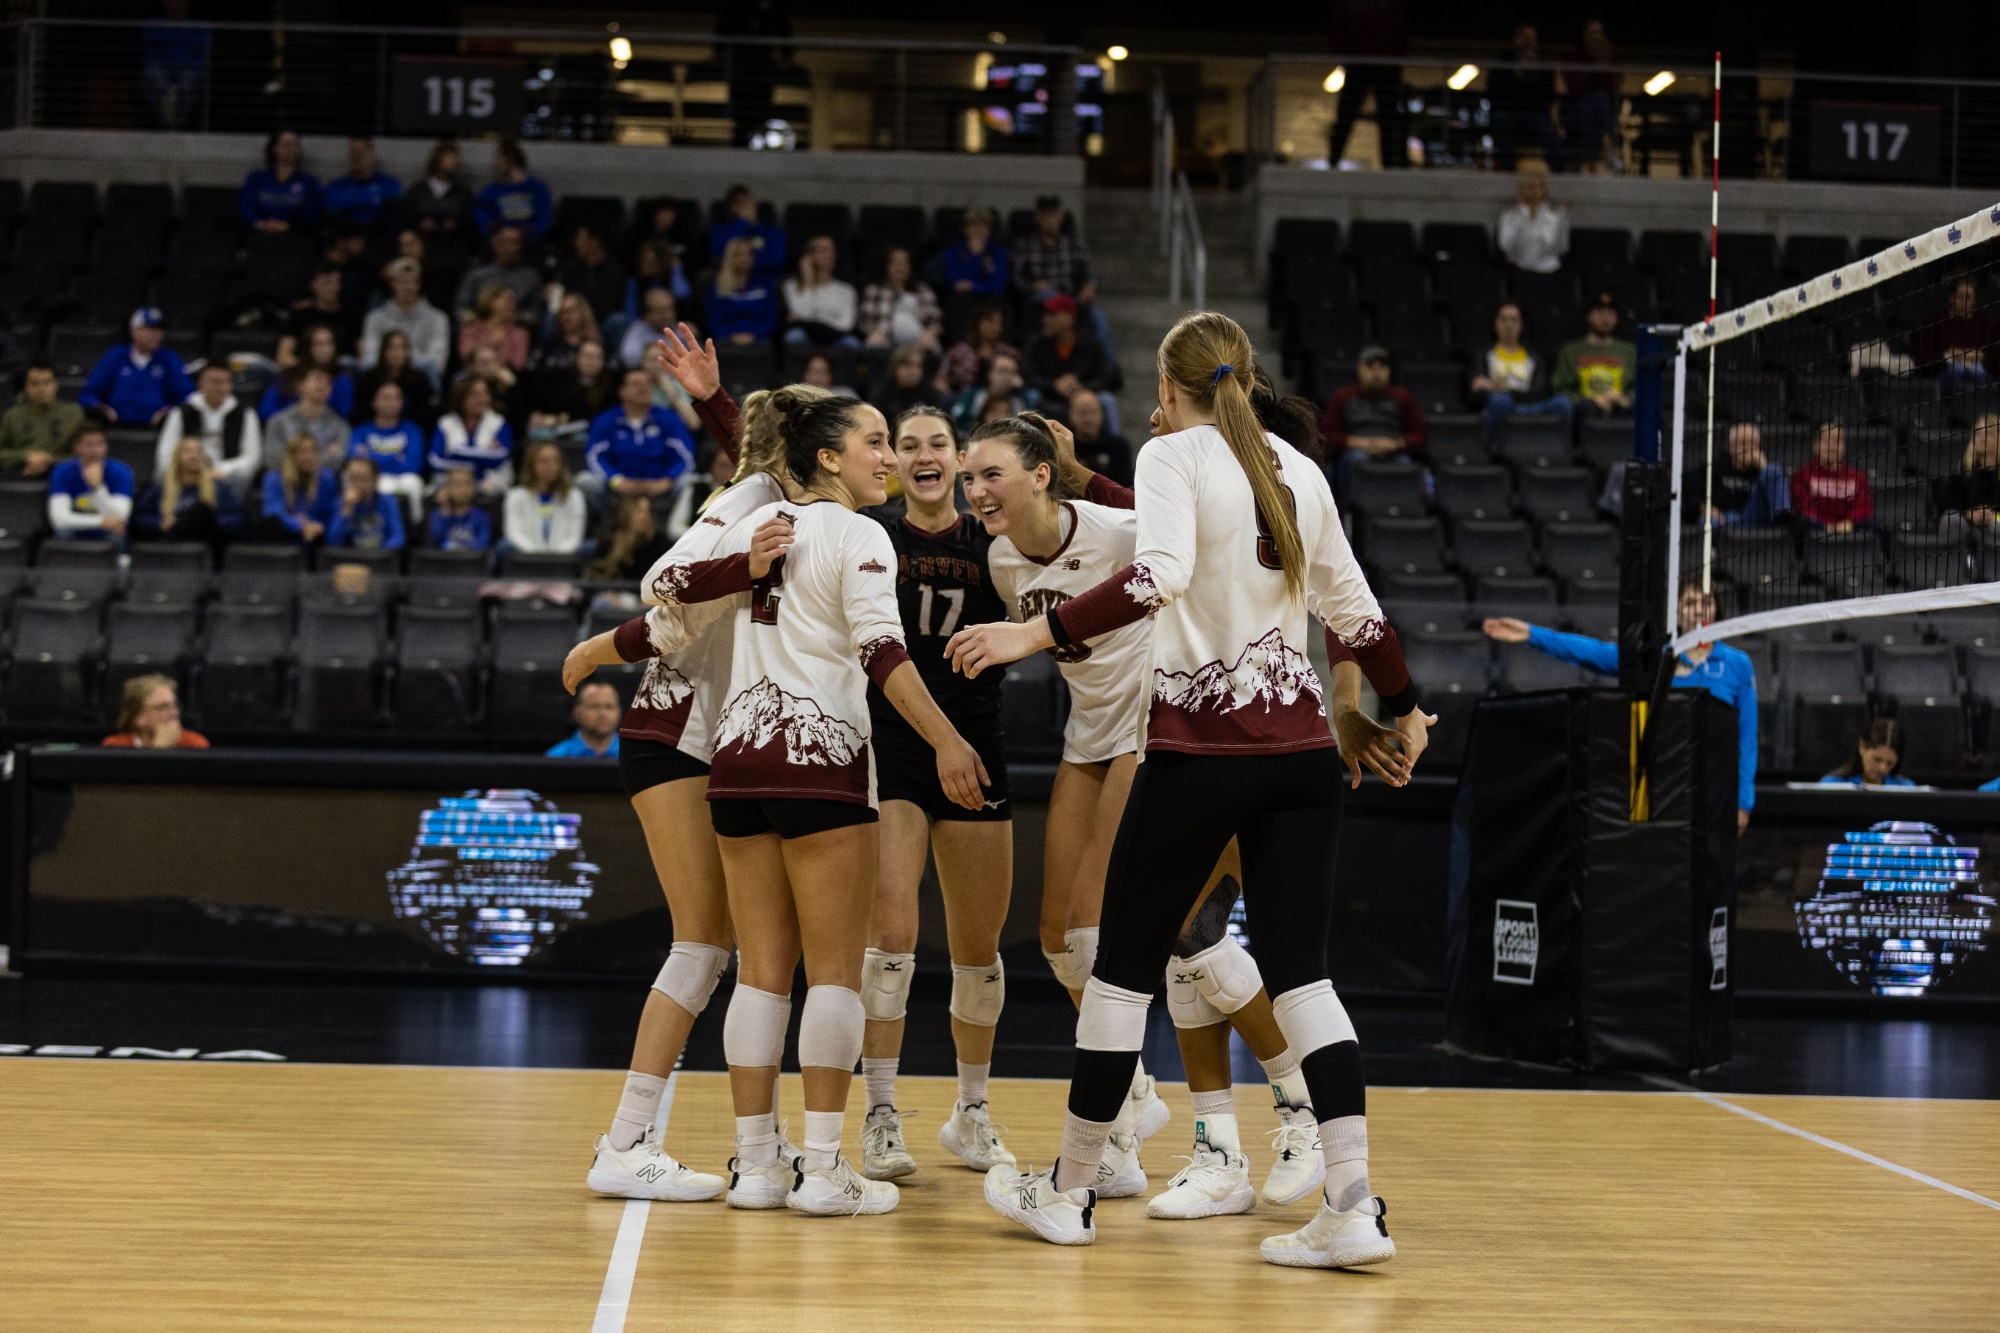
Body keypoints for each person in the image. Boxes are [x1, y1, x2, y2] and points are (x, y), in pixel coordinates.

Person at [947, 311, 1429, 1265]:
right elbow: (1360, 618)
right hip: (1299, 762)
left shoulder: (1172, 457)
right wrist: (1404, 709)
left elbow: (1155, 575)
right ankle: (1353, 1205)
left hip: (1200, 752)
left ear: (1170, 391)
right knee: (1308, 978)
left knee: (1121, 970)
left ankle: (1073, 1191)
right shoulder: (1300, 470)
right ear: (1243, 379)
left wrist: (1027, 634)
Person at [626, 389, 991, 1217]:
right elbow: (883, 650)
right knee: (833, 975)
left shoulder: (764, 526)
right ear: (829, 458)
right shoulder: (861, 533)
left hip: (736, 766)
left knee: (759, 977)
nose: (889, 456)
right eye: (874, 441)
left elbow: (665, 586)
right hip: (821, 760)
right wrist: (943, 738)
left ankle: (758, 1165)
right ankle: (823, 1167)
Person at [970, 409, 1327, 1216]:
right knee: (1063, 938)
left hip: (1157, 724)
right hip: (1085, 738)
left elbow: (1194, 531)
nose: (976, 489)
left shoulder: (1119, 526)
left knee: (1164, 936)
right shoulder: (997, 557)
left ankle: (1290, 1100)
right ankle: (1135, 1111)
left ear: (1039, 473)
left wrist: (1086, 475)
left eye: (990, 472)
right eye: (970, 477)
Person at [557, 339, 782, 1205]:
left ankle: (674, 1136)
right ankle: (626, 1140)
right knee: (700, 945)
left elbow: (759, 458)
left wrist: (713, 398)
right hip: (672, 730)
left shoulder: (775, 494)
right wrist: (602, 645)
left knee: (719, 947)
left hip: (704, 735)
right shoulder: (759, 501)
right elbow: (673, 593)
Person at [833, 406, 1020, 1184]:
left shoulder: (999, 544)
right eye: (905, 445)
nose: (922, 455)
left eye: (937, 444)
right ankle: (879, 1113)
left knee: (979, 952)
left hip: (977, 748)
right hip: (897, 746)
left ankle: (970, 1111)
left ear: (961, 457)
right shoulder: (873, 535)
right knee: (893, 937)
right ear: (893, 462)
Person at [1484, 578, 1755, 830]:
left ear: (1716, 609)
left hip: (1714, 789)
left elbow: (1747, 737)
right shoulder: (1657, 658)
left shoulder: (1738, 665)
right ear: (1676, 612)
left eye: (1706, 602)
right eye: (1690, 603)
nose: (1698, 611)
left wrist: (1743, 803)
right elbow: (1594, 653)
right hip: (1661, 787)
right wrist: (1532, 635)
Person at [1320, 345, 1428, 502]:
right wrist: (1356, 442)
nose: (1377, 373)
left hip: (1394, 453)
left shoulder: (1403, 397)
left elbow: (1419, 435)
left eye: (1382, 367)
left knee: (1406, 464)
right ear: (1360, 369)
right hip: (1356, 451)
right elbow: (1327, 435)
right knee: (1355, 460)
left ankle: (1402, 509)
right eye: (1371, 367)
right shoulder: (1343, 396)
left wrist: (1396, 444)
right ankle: (1352, 509)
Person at [584, 367, 697, 502]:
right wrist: (616, 480)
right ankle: (596, 521)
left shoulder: (669, 419)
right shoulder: (605, 420)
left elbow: (686, 456)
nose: (643, 388)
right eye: (636, 384)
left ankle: (682, 522)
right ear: (622, 391)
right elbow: (594, 456)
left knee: (690, 482)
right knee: (586, 481)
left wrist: (668, 480)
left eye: (648, 383)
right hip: (617, 484)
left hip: (661, 483)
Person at [1324, 0, 1410, 167]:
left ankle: (1389, 167)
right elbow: (1338, 27)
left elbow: (1401, 29)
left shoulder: (1393, 5)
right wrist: (1344, 58)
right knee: (1346, 116)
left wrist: (1397, 60)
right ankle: (1333, 162)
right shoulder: (1348, 4)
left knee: (1387, 119)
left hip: (1386, 66)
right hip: (1358, 65)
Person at [155, 361, 259, 490]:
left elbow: (252, 457)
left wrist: (222, 469)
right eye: (215, 382)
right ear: (200, 383)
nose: (220, 387)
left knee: (242, 475)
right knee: (161, 472)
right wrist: (189, 468)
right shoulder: (180, 412)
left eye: (225, 382)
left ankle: (230, 509)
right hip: (187, 473)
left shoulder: (246, 414)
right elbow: (165, 454)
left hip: (226, 476)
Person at [80, 308, 193, 426]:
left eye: (159, 330)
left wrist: (170, 411)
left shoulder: (169, 359)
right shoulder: (115, 356)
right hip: (115, 427)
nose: (156, 334)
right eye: (150, 329)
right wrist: (101, 409)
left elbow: (187, 396)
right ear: (134, 331)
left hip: (158, 430)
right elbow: (88, 393)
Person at [1470, 303, 1572, 433]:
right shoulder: (1483, 355)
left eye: (1514, 320)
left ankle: (1558, 447)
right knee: (1501, 401)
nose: (1509, 325)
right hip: (1500, 407)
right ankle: (1496, 447)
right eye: (1504, 319)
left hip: (1531, 407)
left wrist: (1498, 388)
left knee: (1562, 403)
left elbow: (1539, 392)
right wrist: (1502, 392)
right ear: (1495, 323)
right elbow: (1478, 391)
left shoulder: (1535, 359)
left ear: (1521, 325)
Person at [1022, 294, 1117, 431]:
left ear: (1070, 317)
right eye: (1045, 315)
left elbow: (1108, 377)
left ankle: (1113, 445)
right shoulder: (1037, 344)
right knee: (1031, 395)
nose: (1045, 319)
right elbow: (1029, 376)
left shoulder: (1090, 343)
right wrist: (1054, 384)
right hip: (1050, 395)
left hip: (1085, 394)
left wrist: (1082, 387)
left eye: (1052, 314)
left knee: (1107, 400)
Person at [132, 434, 243, 544]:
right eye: (188, 451)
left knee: (202, 509)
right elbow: (138, 519)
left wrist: (208, 523)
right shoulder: (161, 487)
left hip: (206, 543)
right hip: (173, 543)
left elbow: (236, 519)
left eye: (198, 451)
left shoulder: (219, 487)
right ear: (177, 457)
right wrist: (160, 523)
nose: (194, 456)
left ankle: (168, 541)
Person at [1488, 25, 1564, 172]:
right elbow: (1494, 94)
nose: (1527, 43)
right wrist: (1517, 75)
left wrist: (1534, 76)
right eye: (1524, 38)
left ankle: (1558, 170)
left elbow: (1548, 99)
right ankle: (1508, 170)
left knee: (1548, 132)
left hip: (1535, 115)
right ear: (1516, 40)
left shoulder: (1543, 67)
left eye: (1531, 39)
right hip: (1508, 114)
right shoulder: (1502, 63)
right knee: (1501, 124)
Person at [360, 259, 448, 383]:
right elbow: (369, 359)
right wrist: (417, 357)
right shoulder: (374, 318)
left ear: (419, 284)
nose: (408, 287)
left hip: (419, 384)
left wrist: (392, 357)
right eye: (402, 281)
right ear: (392, 284)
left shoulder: (438, 318)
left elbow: (437, 364)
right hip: (382, 384)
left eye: (413, 281)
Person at [351, 381, 427, 521]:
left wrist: (374, 457)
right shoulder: (361, 431)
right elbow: (358, 463)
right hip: (375, 479)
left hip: (404, 477)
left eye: (396, 398)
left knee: (414, 483)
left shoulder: (412, 430)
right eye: (386, 397)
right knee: (382, 486)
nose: (391, 402)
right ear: (374, 402)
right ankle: (377, 527)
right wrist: (396, 458)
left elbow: (415, 464)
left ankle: (416, 529)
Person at [48, 419, 135, 540]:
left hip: (108, 531)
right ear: (77, 447)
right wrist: (100, 522)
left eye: (99, 444)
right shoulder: (63, 471)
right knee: (63, 532)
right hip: (78, 528)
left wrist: (97, 488)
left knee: (117, 534)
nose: (95, 451)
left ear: (106, 447)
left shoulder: (121, 472)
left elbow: (120, 517)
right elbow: (58, 519)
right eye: (88, 445)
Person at [1553, 294, 1637, 416]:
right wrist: (1589, 400)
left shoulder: (1629, 351)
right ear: (1588, 316)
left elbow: (1639, 387)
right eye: (1599, 312)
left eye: (1610, 313)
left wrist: (1625, 399)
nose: (1605, 318)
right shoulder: (1571, 351)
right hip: (1585, 410)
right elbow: (1560, 389)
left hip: (1621, 409)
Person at [430, 375, 513, 498]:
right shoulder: (445, 423)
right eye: (475, 394)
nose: (481, 399)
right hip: (451, 483)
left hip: (489, 483)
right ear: (461, 397)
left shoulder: (498, 423)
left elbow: (500, 457)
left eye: (485, 393)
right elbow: (435, 460)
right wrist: (484, 455)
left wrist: (456, 452)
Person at [1914, 276, 1998, 393]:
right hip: (1946, 372)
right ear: (1951, 297)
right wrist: (1948, 356)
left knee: (1974, 370)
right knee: (1959, 370)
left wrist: (1981, 356)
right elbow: (1922, 359)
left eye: (1969, 298)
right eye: (1961, 297)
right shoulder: (1935, 322)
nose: (1965, 302)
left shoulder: (1986, 323)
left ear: (1974, 300)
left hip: (1980, 372)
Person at [506, 440, 589, 555]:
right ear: (532, 465)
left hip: (564, 558)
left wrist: (556, 556)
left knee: (589, 547)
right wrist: (538, 555)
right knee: (504, 547)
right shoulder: (516, 496)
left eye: (556, 461)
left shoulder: (574, 496)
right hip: (527, 556)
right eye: (544, 461)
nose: (551, 466)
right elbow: (515, 534)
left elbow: (574, 536)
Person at [0, 362, 82, 477]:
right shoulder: (13, 415)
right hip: (20, 473)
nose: (41, 389)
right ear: (26, 387)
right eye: (35, 383)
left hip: (63, 475)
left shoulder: (73, 413)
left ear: (56, 384)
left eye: (47, 382)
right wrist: (26, 456)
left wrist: (49, 459)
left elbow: (83, 453)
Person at [1561, 19, 1622, 174]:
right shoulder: (1573, 55)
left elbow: (1614, 87)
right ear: (1584, 35)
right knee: (1596, 100)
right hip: (1575, 113)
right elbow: (1575, 87)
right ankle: (1608, 148)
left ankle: (1589, 163)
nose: (1595, 37)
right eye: (1592, 32)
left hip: (1597, 115)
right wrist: (1596, 69)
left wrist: (1602, 63)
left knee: (1596, 103)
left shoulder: (1610, 55)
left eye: (1598, 33)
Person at [454, 225, 544, 328]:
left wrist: (513, 318)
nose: (512, 248)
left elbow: (536, 314)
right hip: (479, 330)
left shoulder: (531, 278)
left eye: (516, 243)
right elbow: (461, 308)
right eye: (507, 242)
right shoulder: (476, 275)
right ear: (495, 245)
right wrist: (480, 321)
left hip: (517, 331)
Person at [263, 367, 352, 471]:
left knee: (328, 476)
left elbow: (339, 460)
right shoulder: (278, 421)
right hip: (284, 477)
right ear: (301, 385)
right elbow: (271, 458)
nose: (323, 384)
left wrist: (294, 458)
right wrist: (323, 457)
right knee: (272, 478)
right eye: (317, 379)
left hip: (322, 480)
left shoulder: (340, 425)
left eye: (328, 382)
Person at [527, 337, 617, 439]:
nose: (591, 361)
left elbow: (605, 417)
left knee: (581, 437)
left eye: (597, 357)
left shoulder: (610, 386)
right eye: (587, 356)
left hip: (590, 432)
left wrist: (568, 417)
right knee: (540, 435)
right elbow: (545, 406)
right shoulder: (558, 379)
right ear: (576, 358)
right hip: (556, 428)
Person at [259, 432, 339, 545]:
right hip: (285, 536)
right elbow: (274, 512)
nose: (309, 456)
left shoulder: (327, 478)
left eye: (313, 451)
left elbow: (331, 511)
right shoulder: (274, 478)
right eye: (303, 452)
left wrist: (316, 526)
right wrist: (300, 526)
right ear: (290, 455)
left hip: (317, 535)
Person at [262, 324, 355, 420]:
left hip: (325, 431)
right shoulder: (288, 375)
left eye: (329, 343)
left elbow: (344, 414)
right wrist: (297, 417)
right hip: (289, 430)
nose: (325, 349)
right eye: (319, 344)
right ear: (307, 347)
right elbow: (266, 410)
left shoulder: (343, 379)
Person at [1792, 423, 1873, 533]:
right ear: (1815, 446)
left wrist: (1849, 522)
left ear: (1843, 447)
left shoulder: (1858, 478)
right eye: (1826, 441)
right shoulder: (1802, 475)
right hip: (1816, 527)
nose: (1831, 447)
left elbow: (1863, 507)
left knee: (1873, 525)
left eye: (1836, 441)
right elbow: (1804, 506)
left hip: (1850, 527)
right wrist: (1825, 525)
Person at [1705, 423, 1790, 529]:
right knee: (1708, 521)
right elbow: (1691, 494)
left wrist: (1763, 465)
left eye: (1753, 444)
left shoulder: (1764, 470)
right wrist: (1705, 508)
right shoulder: (1716, 468)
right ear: (1731, 447)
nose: (1748, 449)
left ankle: (1784, 521)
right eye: (1742, 443)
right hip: (1726, 518)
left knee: (1773, 470)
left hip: (1757, 515)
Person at [141, 0, 208, 130]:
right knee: (156, 78)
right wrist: (180, 39)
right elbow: (150, 48)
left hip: (187, 68)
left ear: (186, 4)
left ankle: (174, 118)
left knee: (188, 83)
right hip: (162, 67)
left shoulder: (197, 26)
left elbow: (201, 52)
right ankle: (169, 117)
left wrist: (168, 39)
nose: (175, 5)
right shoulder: (155, 23)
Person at [858, 246, 942, 351]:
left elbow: (935, 320)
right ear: (887, 266)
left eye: (904, 262)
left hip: (919, 343)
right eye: (896, 262)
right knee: (873, 342)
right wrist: (875, 331)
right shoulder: (874, 290)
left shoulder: (923, 290)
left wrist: (931, 332)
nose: (900, 267)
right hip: (886, 340)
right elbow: (865, 321)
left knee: (932, 343)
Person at [782, 235, 860, 348]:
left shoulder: (847, 290)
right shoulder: (791, 286)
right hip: (806, 337)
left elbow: (846, 325)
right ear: (808, 256)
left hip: (836, 338)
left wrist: (814, 323)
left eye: (831, 250)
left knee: (852, 343)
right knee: (794, 336)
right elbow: (801, 314)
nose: (829, 255)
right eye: (823, 250)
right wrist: (808, 281)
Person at [352, 330, 437, 432]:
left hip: (409, 432)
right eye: (392, 348)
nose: (397, 353)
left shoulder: (419, 379)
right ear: (383, 351)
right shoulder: (369, 379)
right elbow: (361, 411)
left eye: (402, 348)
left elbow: (424, 414)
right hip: (373, 431)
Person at [240, 128, 320, 233]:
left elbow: (312, 215)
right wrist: (261, 224)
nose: (290, 150)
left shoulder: (310, 183)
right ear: (274, 148)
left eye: (295, 145)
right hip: (258, 233)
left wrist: (285, 226)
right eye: (286, 145)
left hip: (294, 236)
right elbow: (247, 209)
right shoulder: (256, 178)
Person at [558, 222, 630, 335]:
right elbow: (565, 298)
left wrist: (587, 322)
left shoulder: (614, 272)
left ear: (595, 240)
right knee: (551, 317)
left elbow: (609, 305)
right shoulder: (572, 270)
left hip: (600, 322)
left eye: (580, 239)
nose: (577, 244)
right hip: (574, 319)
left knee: (618, 320)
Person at [707, 237, 780, 346]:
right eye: (739, 255)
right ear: (730, 258)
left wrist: (754, 334)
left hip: (759, 338)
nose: (745, 258)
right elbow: (713, 321)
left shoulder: (764, 286)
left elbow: (771, 319)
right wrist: (730, 335)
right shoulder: (717, 289)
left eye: (749, 254)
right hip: (726, 338)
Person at [102, 675, 208, 749]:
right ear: (138, 717)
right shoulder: (116, 746)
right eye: (164, 707)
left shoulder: (194, 744)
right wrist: (160, 750)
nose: (174, 713)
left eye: (175, 705)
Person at [473, 139, 551, 240]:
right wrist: (500, 231)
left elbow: (544, 220)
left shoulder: (538, 188)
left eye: (498, 158)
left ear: (510, 158)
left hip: (528, 241)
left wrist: (521, 233)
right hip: (500, 240)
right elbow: (481, 217)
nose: (495, 164)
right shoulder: (490, 191)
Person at [707, 183, 786, 283]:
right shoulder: (719, 230)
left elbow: (775, 261)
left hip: (764, 280)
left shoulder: (773, 232)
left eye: (746, 202)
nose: (743, 207)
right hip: (729, 280)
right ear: (730, 208)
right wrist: (742, 222)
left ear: (755, 203)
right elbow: (720, 253)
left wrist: (741, 260)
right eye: (738, 204)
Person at [935, 300, 1016, 396]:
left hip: (1001, 400)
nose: (996, 327)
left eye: (998, 323)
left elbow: (1018, 379)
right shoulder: (959, 352)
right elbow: (940, 381)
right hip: (964, 400)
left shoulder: (1007, 352)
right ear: (977, 324)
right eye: (990, 322)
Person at [325, 453, 405, 551]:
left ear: (375, 479)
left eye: (363, 479)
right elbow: (333, 541)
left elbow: (398, 537)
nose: (357, 484)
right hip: (351, 559)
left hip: (379, 558)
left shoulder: (388, 502)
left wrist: (379, 552)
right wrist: (346, 511)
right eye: (353, 479)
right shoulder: (341, 502)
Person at [1497, 168, 1568, 274]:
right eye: (1530, 186)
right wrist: (1522, 217)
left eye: (1538, 187)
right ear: (1521, 190)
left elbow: (1561, 248)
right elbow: (1505, 246)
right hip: (1517, 270)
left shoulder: (1555, 217)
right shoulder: (1508, 216)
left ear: (1544, 191)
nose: (1534, 191)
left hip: (1549, 271)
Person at [405, 140, 474, 247]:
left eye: (455, 159)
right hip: (423, 243)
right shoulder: (417, 191)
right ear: (437, 160)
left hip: (453, 245)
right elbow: (408, 216)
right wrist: (420, 223)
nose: (454, 162)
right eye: (450, 158)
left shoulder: (463, 192)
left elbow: (469, 219)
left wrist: (456, 224)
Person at [951, 350, 1037, 436]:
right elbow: (957, 421)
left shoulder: (1019, 399)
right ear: (990, 373)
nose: (1007, 377)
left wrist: (1021, 389)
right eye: (1003, 371)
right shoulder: (973, 395)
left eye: (1012, 372)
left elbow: (1030, 427)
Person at [323, 135, 400, 229]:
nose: (357, 156)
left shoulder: (389, 184)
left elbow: (393, 208)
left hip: (377, 233)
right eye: (353, 152)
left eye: (362, 152)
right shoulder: (336, 186)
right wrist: (370, 202)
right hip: (346, 232)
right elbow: (331, 205)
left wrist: (351, 204)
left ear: (373, 155)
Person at [935, 207, 1009, 299]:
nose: (978, 230)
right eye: (973, 225)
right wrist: (974, 256)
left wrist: (974, 286)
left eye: (982, 226)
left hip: (989, 299)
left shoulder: (997, 252)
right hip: (961, 299)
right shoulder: (953, 252)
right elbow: (956, 282)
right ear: (965, 229)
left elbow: (999, 284)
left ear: (989, 230)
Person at [1819, 719, 1915, 787]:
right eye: (1877, 759)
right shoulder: (1832, 785)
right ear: (1862, 747)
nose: (1883, 768)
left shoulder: (1906, 788)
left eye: (1890, 763)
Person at [459, 284, 532, 373]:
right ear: (491, 302)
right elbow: (467, 356)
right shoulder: (471, 330)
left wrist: (487, 361)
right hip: (473, 374)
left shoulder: (520, 334)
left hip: (506, 377)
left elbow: (518, 364)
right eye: (508, 301)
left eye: (513, 302)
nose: (512, 306)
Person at [1066, 388, 1132, 486]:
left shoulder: (1119, 447)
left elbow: (1126, 486)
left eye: (1092, 412)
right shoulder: (1064, 447)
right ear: (1071, 415)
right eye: (1082, 413)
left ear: (1101, 414)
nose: (1088, 419)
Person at [871, 344, 948, 422]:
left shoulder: (929, 392)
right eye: (907, 365)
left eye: (918, 366)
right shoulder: (883, 393)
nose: (914, 371)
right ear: (895, 368)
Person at [547, 680, 622, 758]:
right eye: (594, 707)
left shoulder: (632, 757)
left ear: (619, 712)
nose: (602, 714)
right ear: (576, 712)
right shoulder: (556, 757)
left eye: (609, 707)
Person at [533, 293, 602, 376]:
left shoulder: (595, 348)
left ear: (583, 313)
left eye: (571, 311)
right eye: (563, 312)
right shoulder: (548, 345)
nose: (566, 317)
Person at [426, 465, 491, 552]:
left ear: (474, 487)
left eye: (467, 484)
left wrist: (460, 549)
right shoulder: (437, 515)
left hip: (471, 562)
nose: (463, 489)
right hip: (444, 562)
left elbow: (483, 544)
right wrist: (445, 510)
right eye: (457, 485)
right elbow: (434, 543)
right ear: (447, 488)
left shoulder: (482, 517)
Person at [619, 287, 681, 372]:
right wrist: (665, 354)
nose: (666, 316)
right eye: (660, 312)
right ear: (647, 314)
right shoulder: (638, 330)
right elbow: (629, 357)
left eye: (669, 310)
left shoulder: (681, 330)